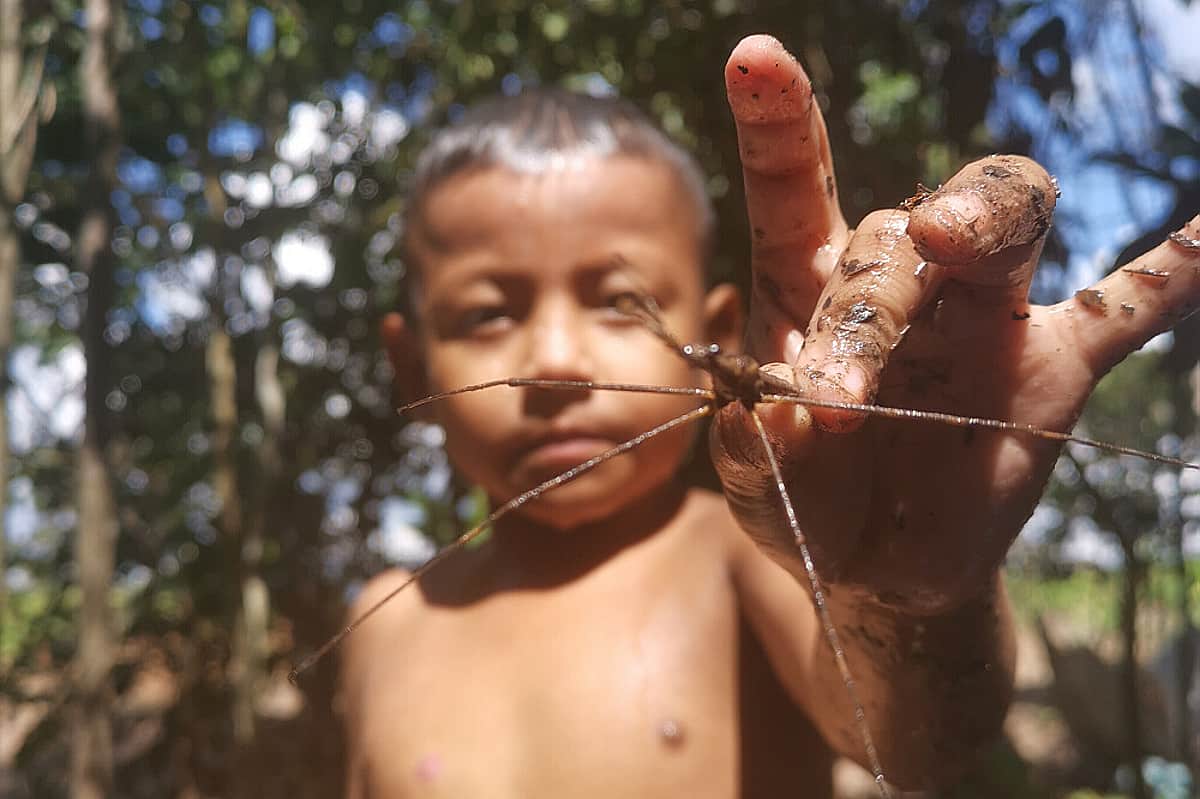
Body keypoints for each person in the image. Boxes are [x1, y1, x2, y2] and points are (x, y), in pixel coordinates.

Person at [339, 34, 1200, 797]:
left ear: (714, 332)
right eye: (490, 314)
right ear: (412, 367)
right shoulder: (387, 617)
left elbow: (921, 756)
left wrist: (903, 596)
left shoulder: (740, 559)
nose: (555, 364)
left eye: (621, 303)